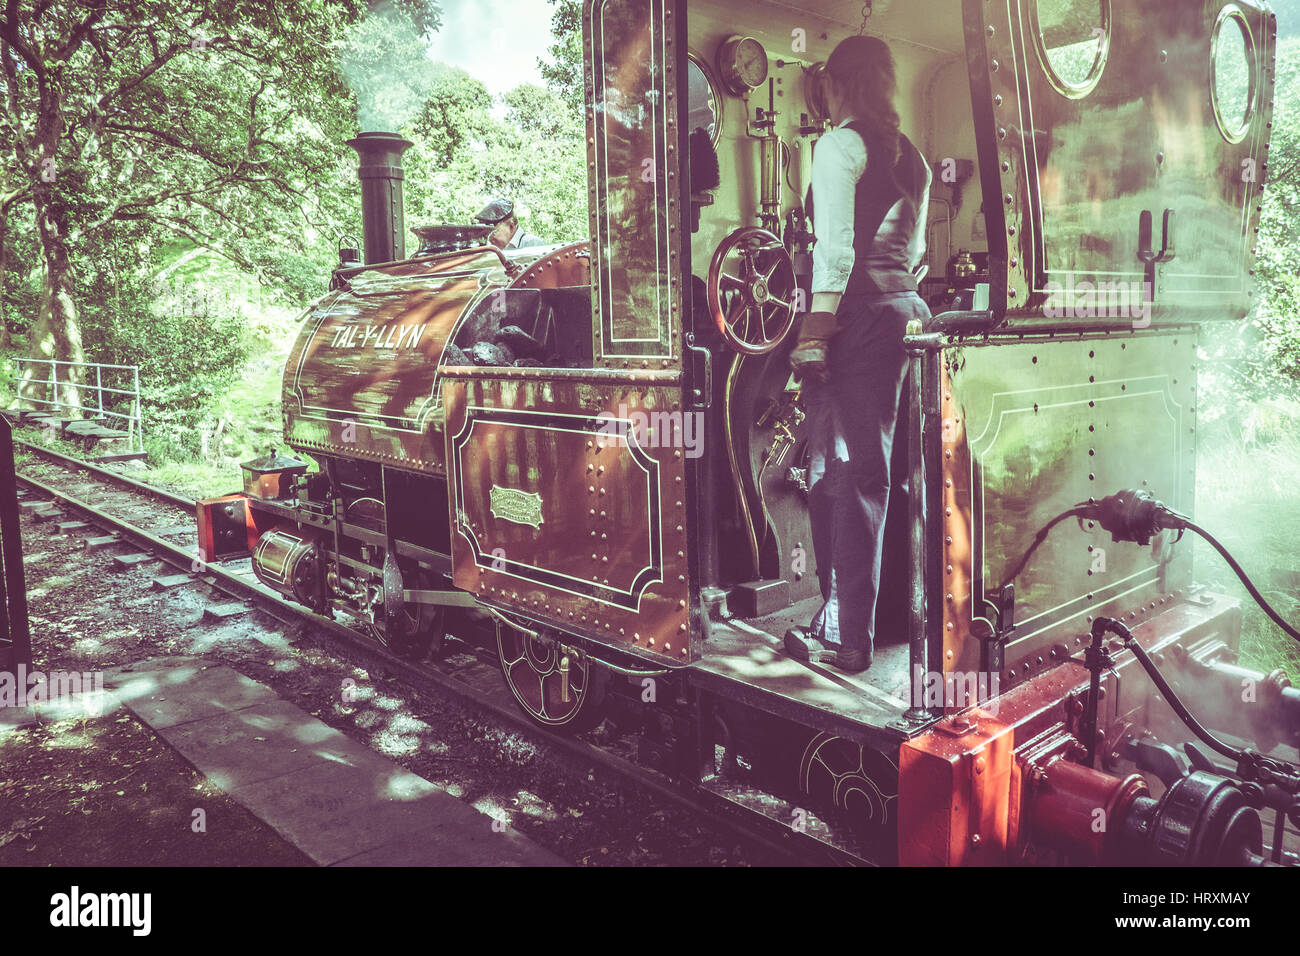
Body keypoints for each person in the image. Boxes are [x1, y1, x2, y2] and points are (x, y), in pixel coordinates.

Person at [783, 34, 932, 674]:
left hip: (857, 324)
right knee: (893, 477)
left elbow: (835, 250)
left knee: (839, 478)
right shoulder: (915, 158)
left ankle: (846, 637)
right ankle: (890, 621)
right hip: (908, 316)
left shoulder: (840, 145)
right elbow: (918, 253)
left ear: (837, 86)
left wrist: (814, 332)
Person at [475, 198, 547, 250]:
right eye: (487, 233)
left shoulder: (532, 243)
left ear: (511, 226)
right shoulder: (492, 249)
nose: (489, 238)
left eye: (494, 232)